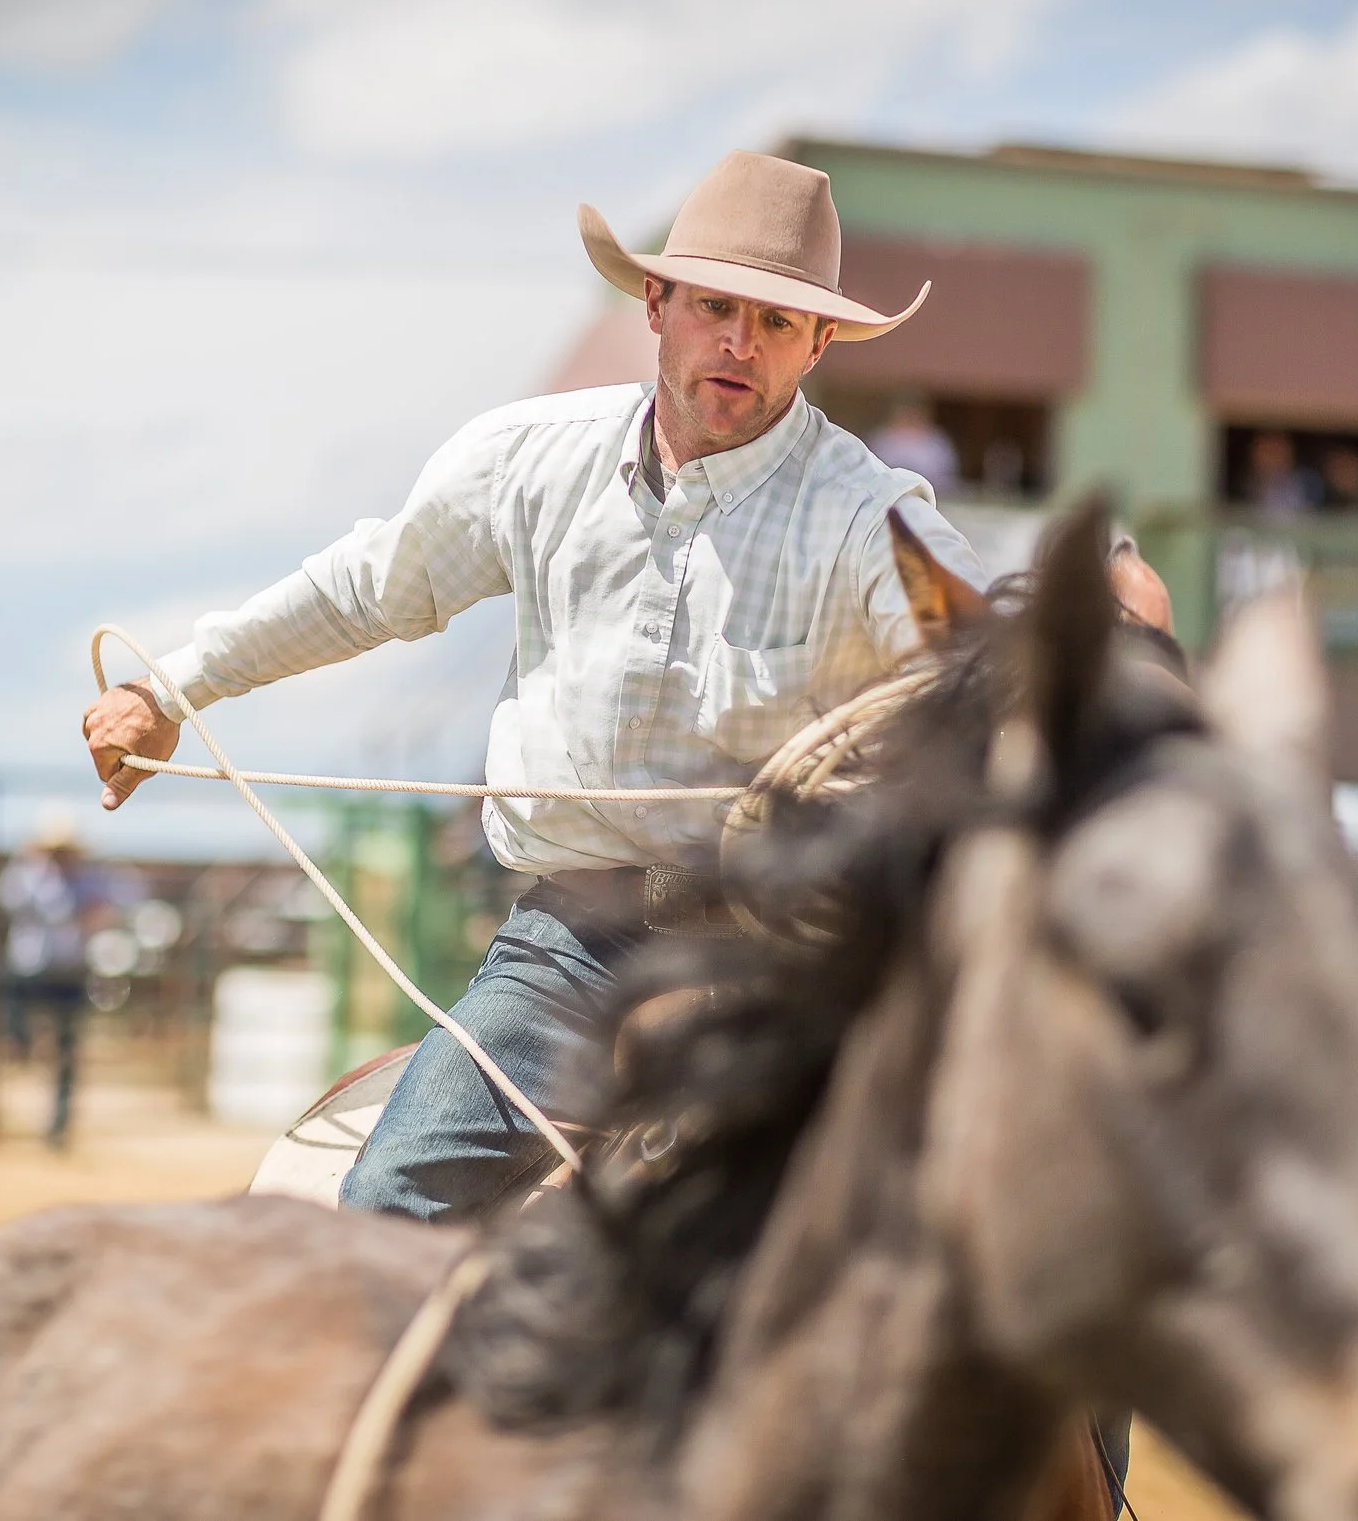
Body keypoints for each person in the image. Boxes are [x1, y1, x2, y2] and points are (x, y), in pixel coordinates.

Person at [80, 151, 981, 1221]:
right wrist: (171, 690)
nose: (741, 343)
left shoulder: (865, 512)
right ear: (656, 302)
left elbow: (975, 632)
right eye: (716, 306)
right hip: (571, 954)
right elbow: (369, 585)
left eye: (779, 323)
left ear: (820, 342)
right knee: (381, 1210)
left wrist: (1089, 622)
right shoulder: (527, 461)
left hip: (788, 959)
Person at [0, 810, 108, 1150]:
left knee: (67, 1054)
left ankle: (58, 1128)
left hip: (69, 973)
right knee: (17, 1037)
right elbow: (8, 899)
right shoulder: (28, 875)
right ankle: (17, 1046)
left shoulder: (87, 878)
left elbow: (102, 911)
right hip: (29, 972)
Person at [865, 393, 961, 497]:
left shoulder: (937, 443)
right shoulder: (881, 440)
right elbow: (869, 475)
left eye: (914, 414)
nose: (909, 418)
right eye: (905, 414)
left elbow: (948, 478)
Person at [1244, 429, 1319, 518]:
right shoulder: (1245, 487)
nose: (1271, 458)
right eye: (1265, 451)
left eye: (1276, 450)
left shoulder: (1310, 483)